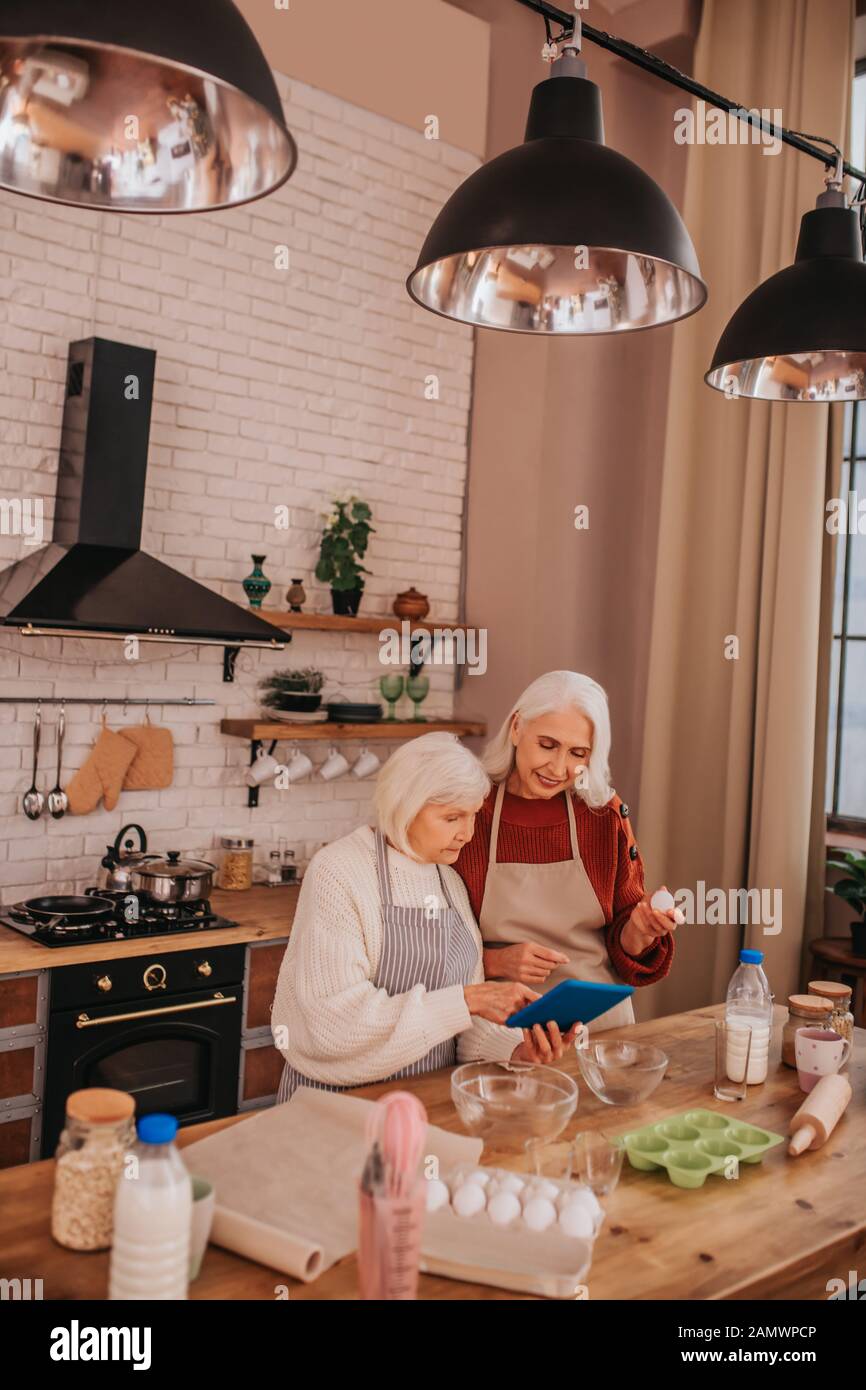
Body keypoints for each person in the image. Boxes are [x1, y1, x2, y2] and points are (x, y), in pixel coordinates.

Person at [271, 732, 581, 1101]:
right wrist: (467, 1000)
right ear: (405, 805)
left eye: (472, 817)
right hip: (337, 1105)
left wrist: (516, 1051)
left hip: (428, 1103)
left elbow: (464, 1030)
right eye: (452, 817)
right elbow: (332, 1025)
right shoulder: (340, 871)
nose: (466, 834)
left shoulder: (448, 880)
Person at [454, 670, 678, 1030]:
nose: (558, 768)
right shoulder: (469, 809)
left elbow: (625, 945)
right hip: (499, 1027)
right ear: (516, 728)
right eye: (547, 745)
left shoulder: (604, 816)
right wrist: (494, 962)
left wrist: (640, 928)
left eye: (578, 753)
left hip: (597, 1025)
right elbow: (426, 944)